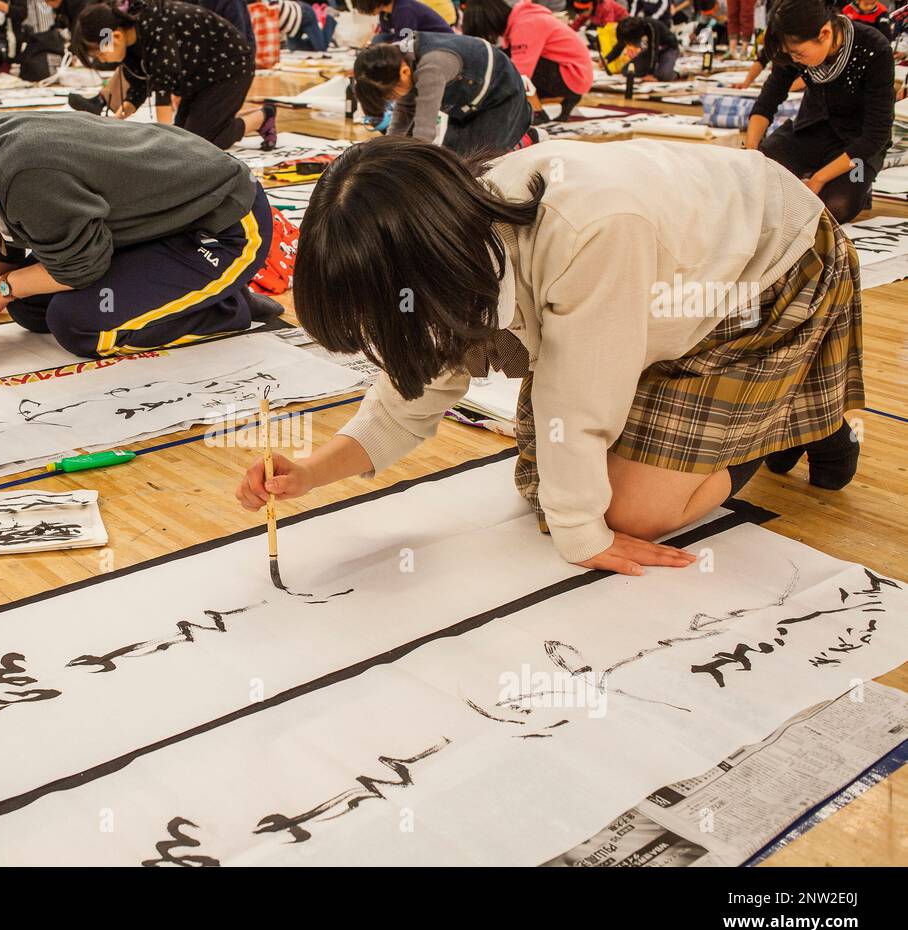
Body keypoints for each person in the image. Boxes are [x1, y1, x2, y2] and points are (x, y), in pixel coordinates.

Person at [236, 136, 864, 576]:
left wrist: (585, 538)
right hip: (656, 295)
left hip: (765, 276)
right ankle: (777, 418)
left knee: (632, 515)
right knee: (546, 483)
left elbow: (580, 402)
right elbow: (410, 400)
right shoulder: (448, 242)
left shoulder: (589, 228)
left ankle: (793, 422)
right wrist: (310, 473)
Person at [0, 114, 280, 358]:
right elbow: (1, 242)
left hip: (220, 230)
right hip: (150, 227)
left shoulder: (26, 175)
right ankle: (183, 292)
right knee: (32, 311)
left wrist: (2, 288)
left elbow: (79, 266)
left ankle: (227, 305)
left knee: (77, 325)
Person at [746, 0, 895, 222]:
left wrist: (819, 179)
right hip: (810, 132)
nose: (794, 60)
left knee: (836, 207)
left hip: (858, 149)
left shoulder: (874, 49)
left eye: (798, 54)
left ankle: (858, 184)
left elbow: (876, 135)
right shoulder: (794, 45)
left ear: (825, 33)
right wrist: (751, 151)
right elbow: (768, 99)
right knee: (753, 181)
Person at [72, 1, 273, 150]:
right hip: (199, 77)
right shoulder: (129, 42)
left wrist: (164, 146)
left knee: (199, 145)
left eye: (99, 54)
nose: (102, 60)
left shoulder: (153, 24)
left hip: (231, 66)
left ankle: (262, 118)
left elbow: (163, 88)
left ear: (114, 36)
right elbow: (141, 84)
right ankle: (232, 120)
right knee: (185, 140)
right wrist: (118, 118)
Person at [353, 35, 532, 154]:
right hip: (465, 101)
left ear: (405, 72)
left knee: (479, 163)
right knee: (454, 159)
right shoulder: (395, 60)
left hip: (500, 95)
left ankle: (526, 138)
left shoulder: (432, 68)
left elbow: (424, 132)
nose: (393, 100)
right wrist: (386, 149)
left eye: (391, 94)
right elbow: (404, 110)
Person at [465, 0, 593, 123]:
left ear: (490, 21)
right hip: (575, 74)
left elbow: (521, 74)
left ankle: (537, 112)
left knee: (510, 69)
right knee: (504, 59)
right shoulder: (522, 18)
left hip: (573, 76)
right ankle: (565, 98)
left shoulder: (526, 24)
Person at [605, 16, 681, 78]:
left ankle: (677, 73)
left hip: (668, 49)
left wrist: (650, 74)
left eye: (629, 42)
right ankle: (657, 68)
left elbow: (654, 50)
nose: (629, 45)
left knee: (663, 76)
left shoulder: (650, 26)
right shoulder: (630, 28)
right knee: (627, 71)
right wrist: (607, 59)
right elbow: (621, 44)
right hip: (649, 52)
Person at [354, 0, 454, 41]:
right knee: (379, 40)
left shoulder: (404, 9)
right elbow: (385, 34)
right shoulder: (385, 13)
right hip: (419, 41)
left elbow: (404, 42)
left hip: (441, 43)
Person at [266, 0, 337, 51]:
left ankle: (329, 20)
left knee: (321, 48)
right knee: (294, 48)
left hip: (305, 15)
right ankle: (319, 38)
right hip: (292, 24)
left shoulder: (263, 7)